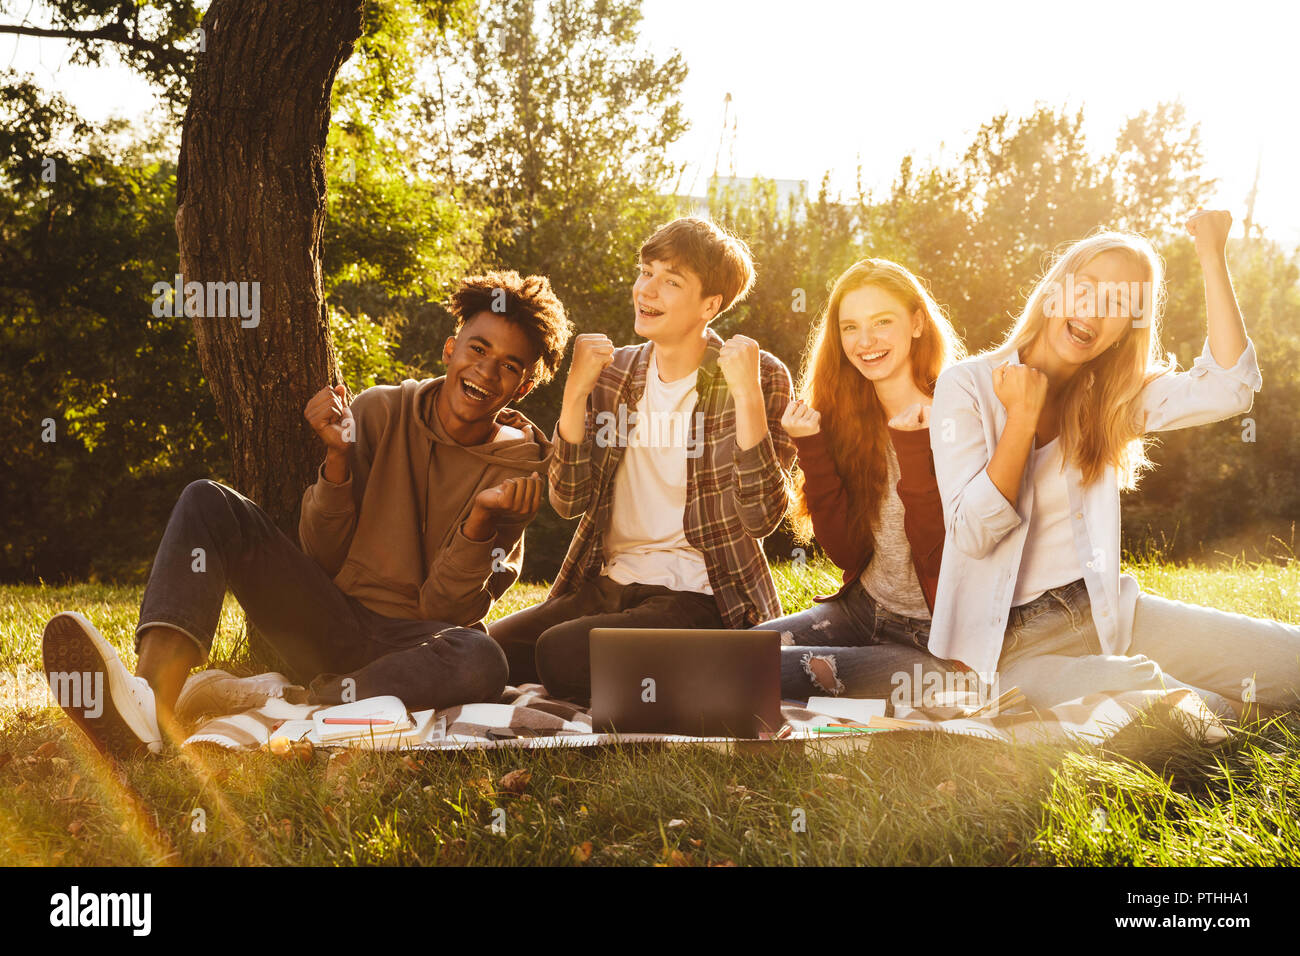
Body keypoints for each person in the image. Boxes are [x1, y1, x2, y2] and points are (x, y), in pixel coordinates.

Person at [42, 271, 573, 757]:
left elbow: (444, 606)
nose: (486, 370)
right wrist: (338, 459)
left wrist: (481, 519)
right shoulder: (378, 410)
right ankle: (149, 707)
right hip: (328, 617)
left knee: (482, 658)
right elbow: (320, 553)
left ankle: (294, 698)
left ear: (524, 386)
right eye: (477, 349)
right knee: (207, 498)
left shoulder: (521, 469)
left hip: (413, 650)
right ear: (450, 348)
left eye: (509, 366)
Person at [929, 210, 1300, 718]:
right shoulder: (966, 384)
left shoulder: (1112, 401)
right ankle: (1225, 712)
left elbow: (1228, 388)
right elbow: (972, 534)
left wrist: (1212, 255)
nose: (1095, 310)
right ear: (1055, 291)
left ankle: (1233, 707)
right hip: (1009, 649)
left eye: (1120, 303)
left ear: (1126, 330)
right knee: (1165, 704)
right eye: (1086, 287)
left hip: (1106, 615)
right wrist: (1022, 418)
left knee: (1291, 662)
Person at [489, 217, 797, 702]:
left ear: (710, 305)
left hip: (701, 595)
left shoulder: (759, 376)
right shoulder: (615, 375)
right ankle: (673, 669)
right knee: (492, 653)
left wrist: (748, 398)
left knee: (562, 655)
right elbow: (568, 502)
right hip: (611, 583)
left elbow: (762, 517)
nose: (647, 290)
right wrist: (574, 394)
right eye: (645, 272)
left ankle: (719, 661)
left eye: (671, 281)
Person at [756, 258, 967, 703]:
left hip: (936, 645)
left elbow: (944, 557)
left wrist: (913, 449)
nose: (865, 341)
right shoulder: (848, 421)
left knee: (751, 673)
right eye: (850, 327)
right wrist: (811, 446)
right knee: (730, 654)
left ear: (916, 323)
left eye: (881, 322)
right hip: (861, 611)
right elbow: (845, 551)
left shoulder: (960, 415)